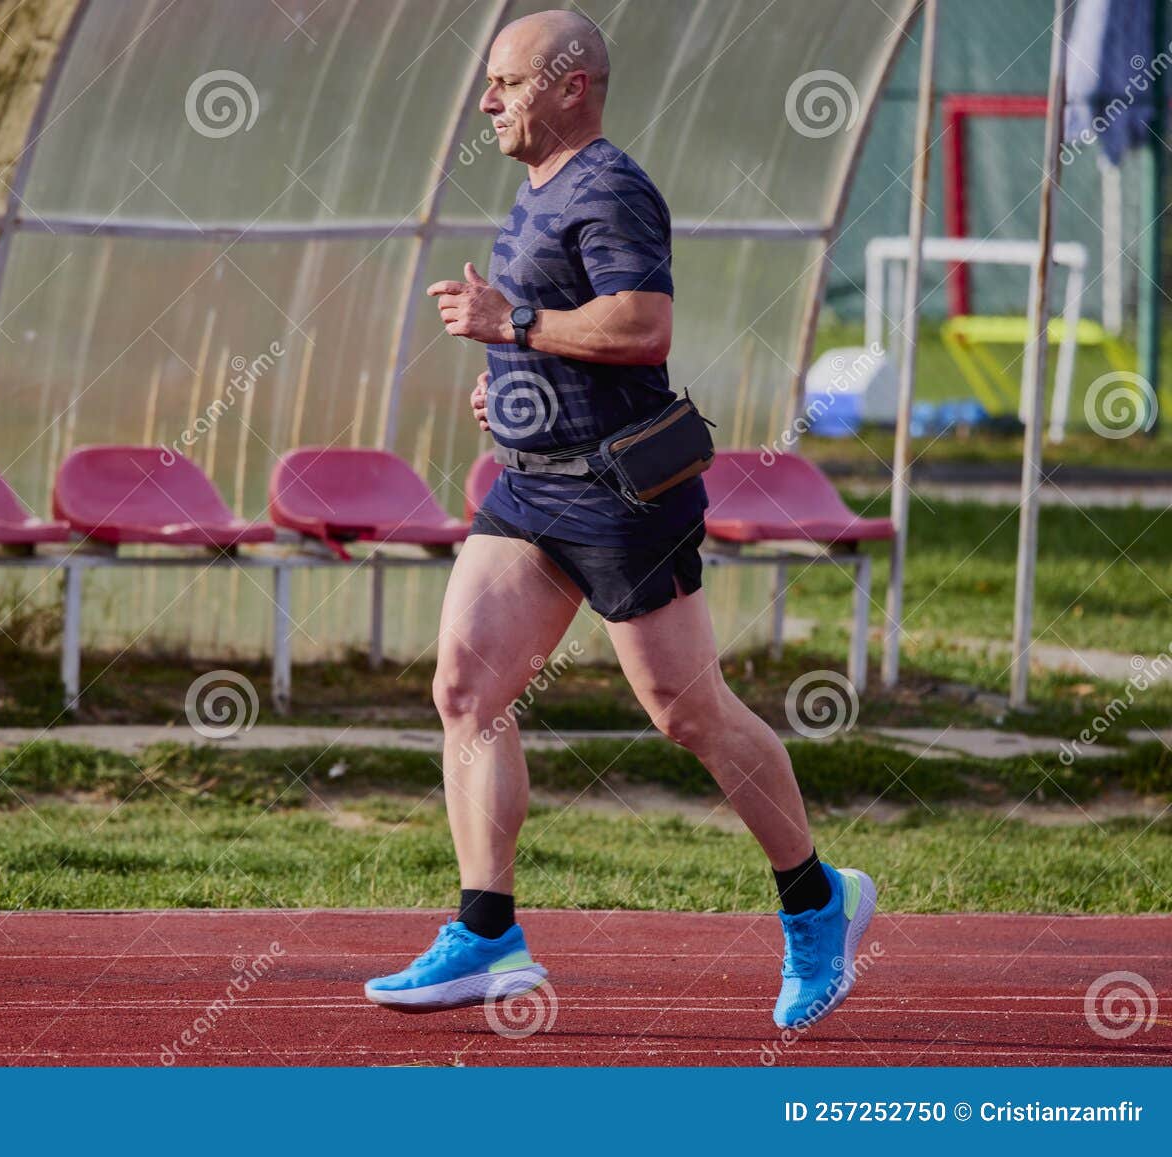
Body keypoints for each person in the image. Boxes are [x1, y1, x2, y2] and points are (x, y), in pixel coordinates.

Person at [362, 8, 875, 1030]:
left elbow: (642, 326)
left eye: (505, 83)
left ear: (570, 86)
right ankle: (486, 928)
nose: (487, 101)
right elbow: (570, 340)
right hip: (528, 486)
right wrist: (513, 383)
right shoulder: (538, 188)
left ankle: (818, 901)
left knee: (688, 714)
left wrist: (510, 324)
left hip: (620, 497)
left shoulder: (611, 186)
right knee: (465, 686)